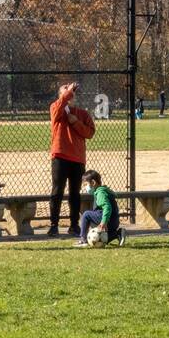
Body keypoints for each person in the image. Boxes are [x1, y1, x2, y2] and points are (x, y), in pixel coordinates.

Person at [49, 82, 96, 237]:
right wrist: (67, 92)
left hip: (77, 158)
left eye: (71, 92)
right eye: (66, 91)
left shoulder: (82, 114)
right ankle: (54, 225)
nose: (70, 93)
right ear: (61, 96)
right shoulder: (56, 109)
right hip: (60, 156)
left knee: (74, 193)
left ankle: (74, 225)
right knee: (57, 191)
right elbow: (59, 105)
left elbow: (89, 133)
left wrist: (75, 121)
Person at [75, 169, 125, 248]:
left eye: (86, 184)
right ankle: (117, 234)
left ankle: (83, 240)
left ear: (93, 183)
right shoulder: (104, 191)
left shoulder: (100, 193)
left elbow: (107, 207)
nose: (85, 187)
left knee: (86, 215)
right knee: (101, 239)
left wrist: (103, 222)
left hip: (107, 219)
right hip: (114, 222)